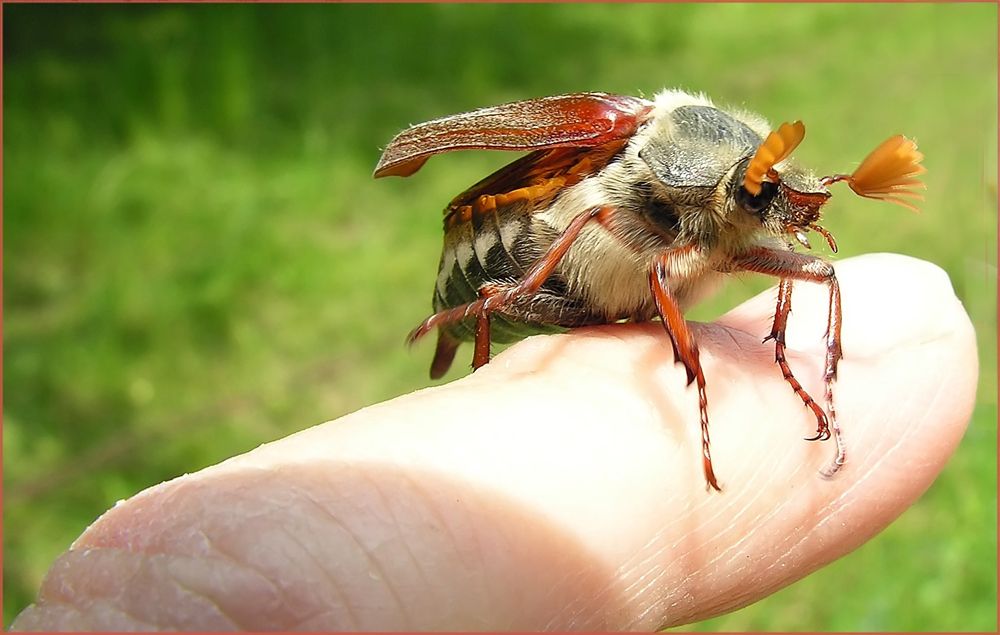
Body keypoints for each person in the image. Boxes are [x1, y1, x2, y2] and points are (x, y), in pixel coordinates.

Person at [11, 254, 977, 631]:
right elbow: (620, 240)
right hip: (528, 252)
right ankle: (478, 358)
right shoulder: (653, 203)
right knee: (555, 273)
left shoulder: (742, 230)